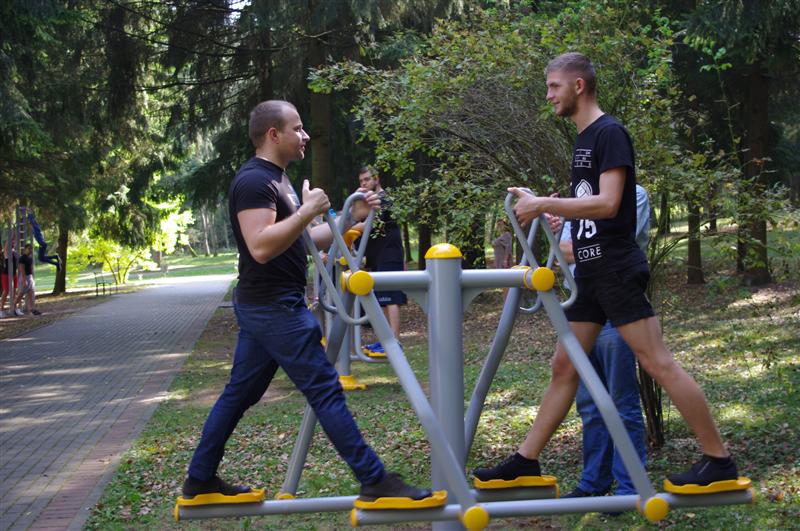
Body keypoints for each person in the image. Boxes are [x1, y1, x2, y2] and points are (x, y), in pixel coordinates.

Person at [474, 53, 740, 490]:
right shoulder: (584, 139)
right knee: (565, 366)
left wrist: (544, 204)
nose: (549, 95)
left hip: (615, 269)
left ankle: (719, 460)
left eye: (554, 86)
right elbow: (588, 208)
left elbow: (610, 203)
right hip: (591, 274)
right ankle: (525, 460)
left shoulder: (609, 133)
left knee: (657, 362)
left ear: (578, 86)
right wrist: (549, 207)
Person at [182, 100, 434, 505]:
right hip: (274, 307)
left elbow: (300, 241)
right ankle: (374, 479)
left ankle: (199, 479)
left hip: (269, 305)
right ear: (273, 134)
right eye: (297, 128)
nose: (305, 136)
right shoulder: (254, 181)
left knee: (240, 394)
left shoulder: (277, 180)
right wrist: (307, 211)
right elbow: (261, 246)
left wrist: (349, 218)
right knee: (325, 389)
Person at [559, 184, 649, 500]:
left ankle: (630, 488)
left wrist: (578, 245)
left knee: (623, 403)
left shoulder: (634, 195)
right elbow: (563, 252)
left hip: (616, 310)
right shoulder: (577, 199)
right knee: (589, 404)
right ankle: (593, 483)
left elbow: (611, 250)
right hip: (581, 310)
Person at [353, 167, 407, 355]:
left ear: (376, 179)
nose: (364, 183)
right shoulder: (369, 202)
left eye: (367, 179)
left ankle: (395, 342)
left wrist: (344, 227)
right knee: (382, 300)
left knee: (391, 299)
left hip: (390, 255)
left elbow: (365, 222)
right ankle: (386, 340)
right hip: (376, 256)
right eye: (361, 181)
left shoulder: (385, 200)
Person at [13, 244, 41, 316]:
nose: (30, 250)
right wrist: (24, 280)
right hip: (24, 277)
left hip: (29, 277)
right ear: (25, 249)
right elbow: (22, 269)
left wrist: (32, 278)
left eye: (31, 249)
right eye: (29, 249)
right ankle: (14, 307)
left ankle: (32, 309)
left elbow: (31, 269)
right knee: (21, 294)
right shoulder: (22, 258)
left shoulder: (30, 258)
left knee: (31, 293)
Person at [1, 241, 17, 318]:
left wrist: (13, 239)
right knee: (6, 291)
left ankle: (14, 308)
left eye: (13, 243)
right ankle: (1, 309)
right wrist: (10, 238)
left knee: (14, 291)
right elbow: (6, 246)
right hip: (6, 274)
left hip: (13, 274)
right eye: (11, 243)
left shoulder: (14, 252)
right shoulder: (7, 252)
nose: (13, 244)